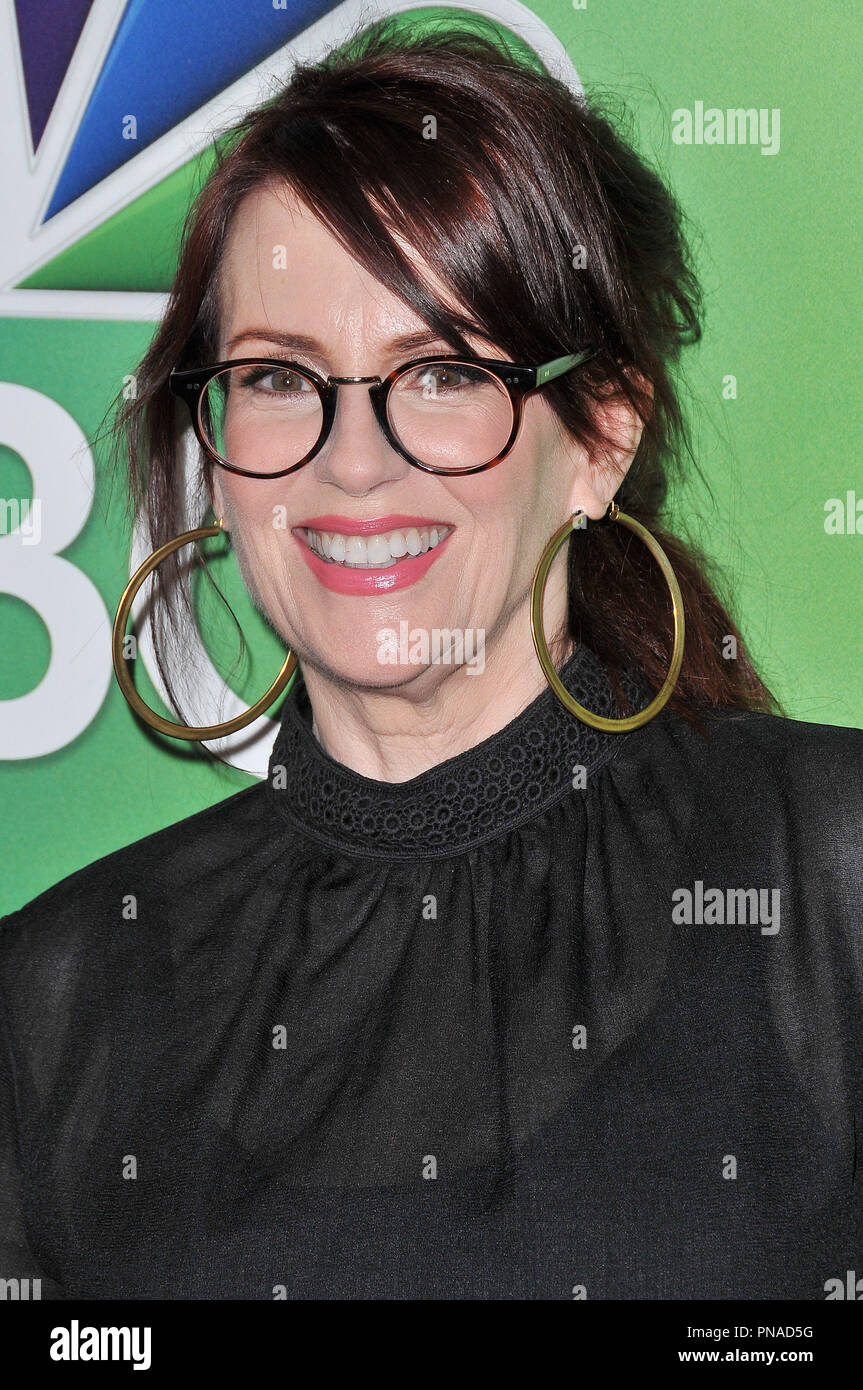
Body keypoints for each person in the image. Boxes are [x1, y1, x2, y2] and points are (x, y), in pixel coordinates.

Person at [1, 19, 861, 1301]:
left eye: (443, 372)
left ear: (598, 439)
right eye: (284, 377)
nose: (355, 463)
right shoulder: (56, 997)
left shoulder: (827, 873)